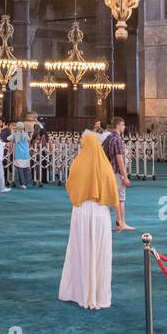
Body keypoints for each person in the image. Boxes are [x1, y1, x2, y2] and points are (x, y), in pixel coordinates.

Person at [58, 131, 119, 310]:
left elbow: (69, 186)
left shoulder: (77, 164)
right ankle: (98, 296)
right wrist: (120, 220)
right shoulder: (106, 166)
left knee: (80, 249)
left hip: (81, 211)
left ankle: (78, 293)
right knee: (100, 252)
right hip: (101, 212)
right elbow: (114, 194)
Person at [104, 116, 134, 231]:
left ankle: (118, 223)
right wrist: (125, 176)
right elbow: (120, 159)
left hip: (109, 171)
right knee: (120, 198)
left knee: (113, 198)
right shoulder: (117, 140)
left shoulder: (108, 138)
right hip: (117, 172)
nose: (124, 127)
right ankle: (121, 223)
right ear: (118, 126)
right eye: (123, 125)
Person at [11, 122, 31, 189]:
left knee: (20, 169)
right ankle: (25, 183)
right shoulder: (26, 134)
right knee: (25, 169)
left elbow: (8, 138)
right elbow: (29, 139)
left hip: (19, 154)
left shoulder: (15, 134)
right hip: (25, 154)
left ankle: (22, 184)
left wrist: (13, 133)